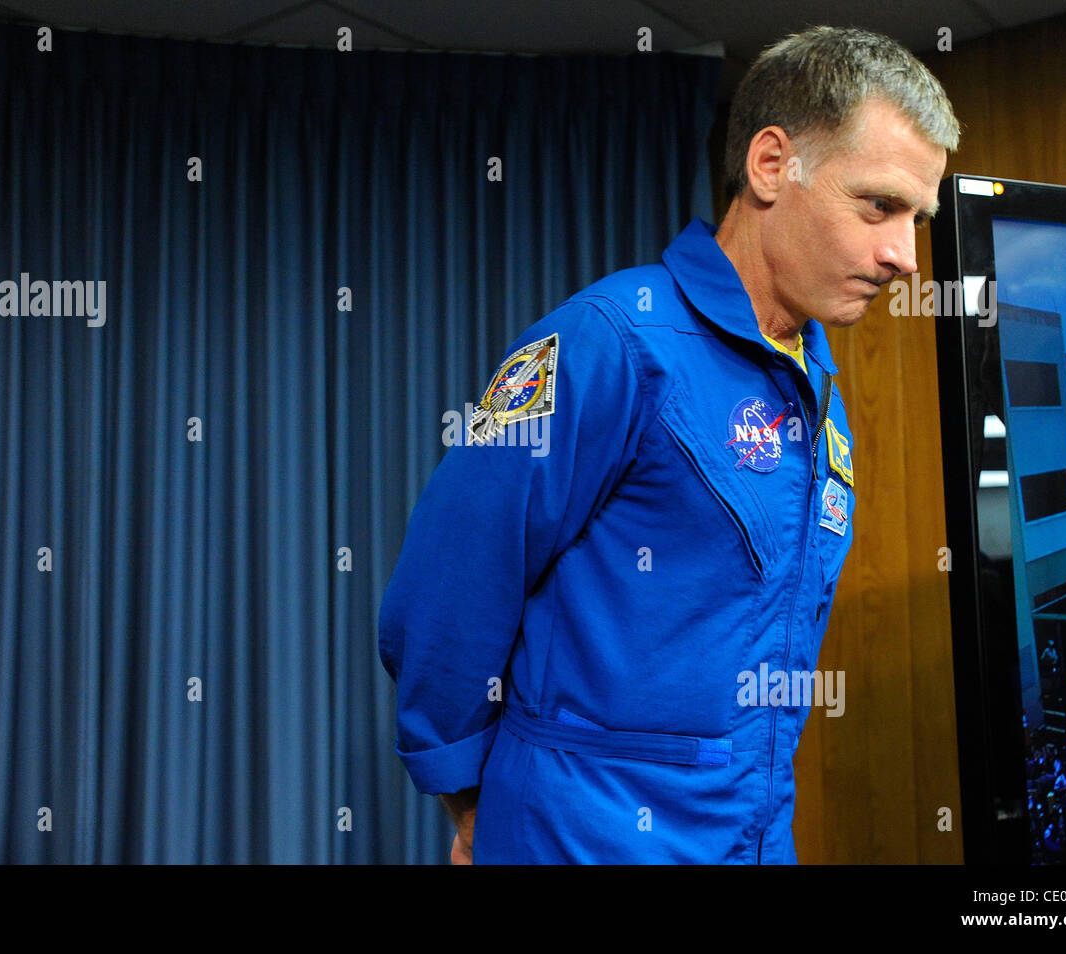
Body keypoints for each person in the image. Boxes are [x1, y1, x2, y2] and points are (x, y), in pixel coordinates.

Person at [378, 25, 959, 864]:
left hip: (749, 836)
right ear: (771, 165)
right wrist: (474, 800)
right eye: (879, 205)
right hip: (579, 837)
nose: (904, 255)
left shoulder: (813, 383)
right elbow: (449, 582)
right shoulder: (609, 342)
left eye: (919, 217)